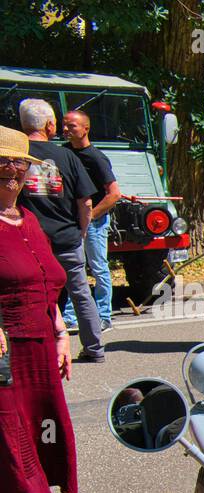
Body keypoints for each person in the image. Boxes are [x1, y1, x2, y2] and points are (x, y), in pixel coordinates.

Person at [0, 126, 86, 493]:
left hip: (38, 340)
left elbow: (50, 282)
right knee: (7, 438)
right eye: (3, 163)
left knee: (40, 428)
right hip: (5, 348)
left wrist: (60, 334)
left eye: (18, 162)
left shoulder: (27, 218)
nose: (11, 171)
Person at [16, 99, 103, 363]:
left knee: (32, 294)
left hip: (29, 241)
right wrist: (82, 232)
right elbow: (86, 201)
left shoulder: (15, 156)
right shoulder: (68, 157)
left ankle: (36, 350)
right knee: (80, 293)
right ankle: (95, 348)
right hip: (67, 238)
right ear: (50, 125)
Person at [62, 109, 120, 333]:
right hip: (71, 221)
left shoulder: (96, 158)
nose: (66, 129)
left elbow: (114, 194)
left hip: (94, 223)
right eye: (64, 125)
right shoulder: (64, 153)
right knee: (74, 268)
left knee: (97, 267)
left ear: (86, 128)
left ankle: (104, 316)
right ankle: (70, 316)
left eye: (72, 126)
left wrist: (91, 215)